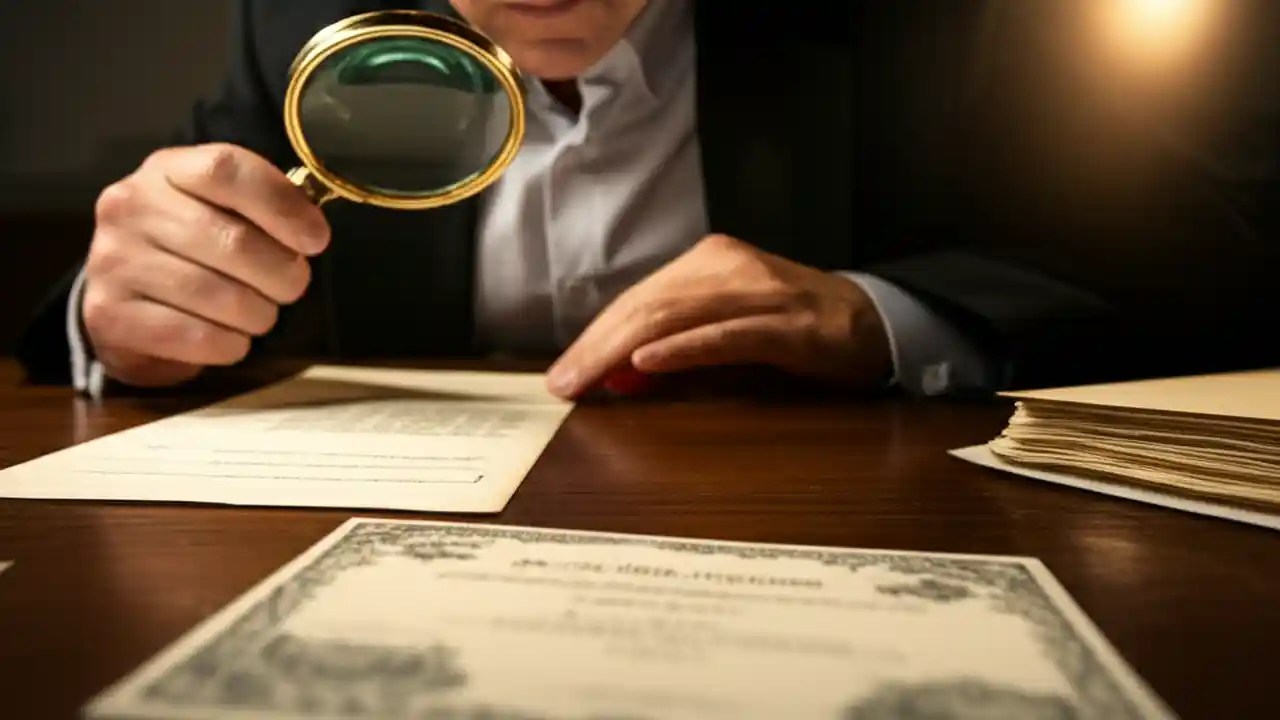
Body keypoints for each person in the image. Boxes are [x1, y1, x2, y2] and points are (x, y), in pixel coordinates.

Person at [16, 0, 1279, 400]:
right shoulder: (317, 20)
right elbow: (149, 263)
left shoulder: (918, 24)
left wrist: (881, 315)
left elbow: (1200, 253)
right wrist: (113, 312)